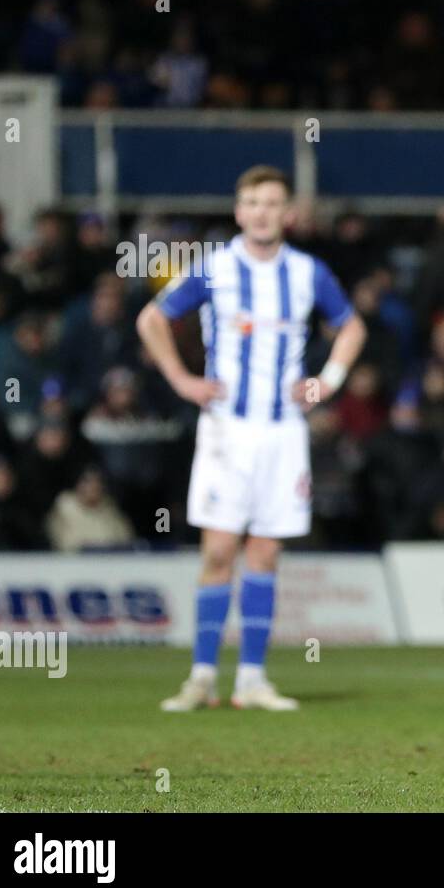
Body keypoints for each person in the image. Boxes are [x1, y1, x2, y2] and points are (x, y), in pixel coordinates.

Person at [136, 165, 366, 711]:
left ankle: (253, 680)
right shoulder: (215, 268)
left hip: (284, 433)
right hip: (226, 431)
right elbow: (151, 319)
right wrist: (181, 380)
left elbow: (352, 327)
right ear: (239, 211)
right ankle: (200, 677)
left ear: (286, 213)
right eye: (253, 202)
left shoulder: (308, 272)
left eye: (272, 202)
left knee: (264, 553)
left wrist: (326, 382)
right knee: (218, 550)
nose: (262, 212)